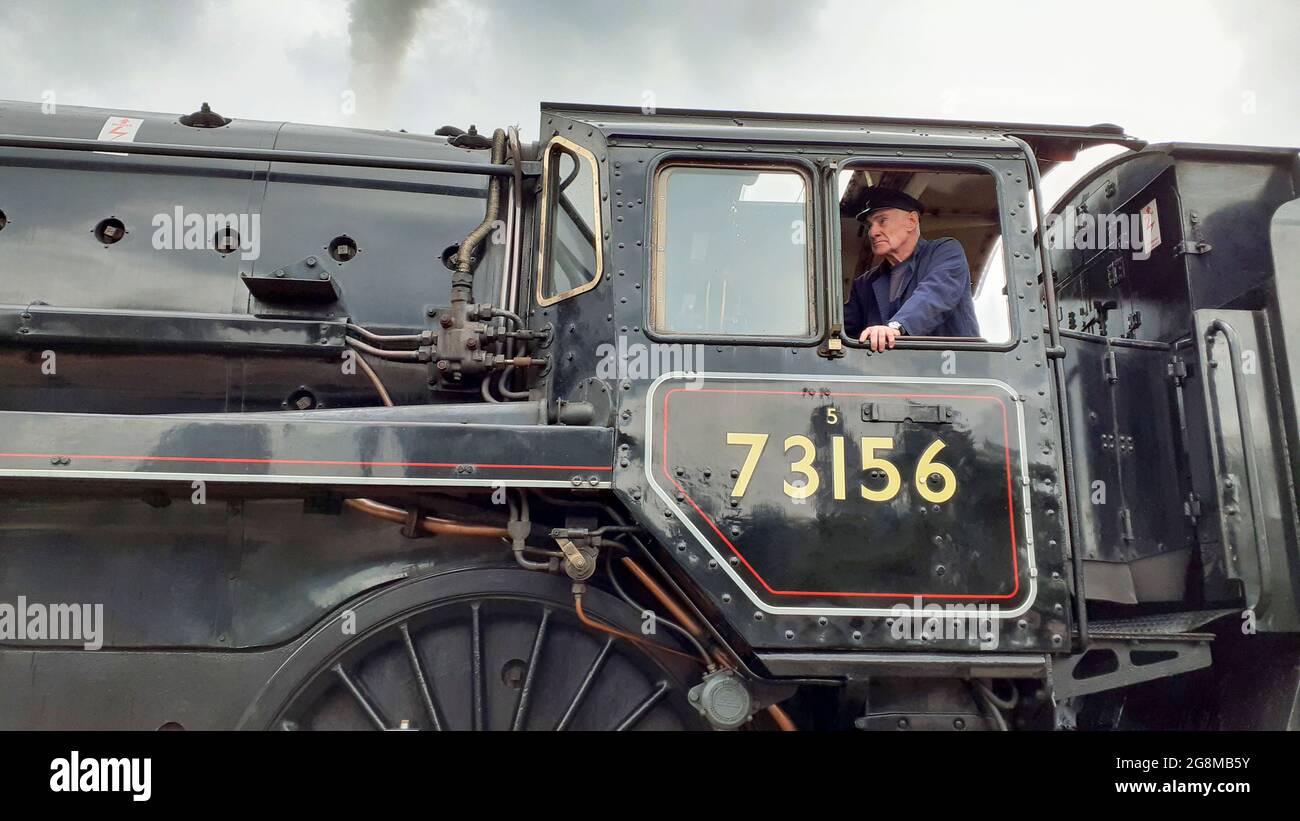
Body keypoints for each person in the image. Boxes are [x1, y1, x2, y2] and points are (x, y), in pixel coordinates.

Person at [843, 188, 979, 352]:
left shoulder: (945, 252)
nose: (873, 232)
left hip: (953, 372)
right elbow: (844, 330)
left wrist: (895, 327)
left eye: (882, 221)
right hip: (893, 373)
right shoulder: (864, 284)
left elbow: (933, 295)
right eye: (869, 225)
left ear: (912, 221)